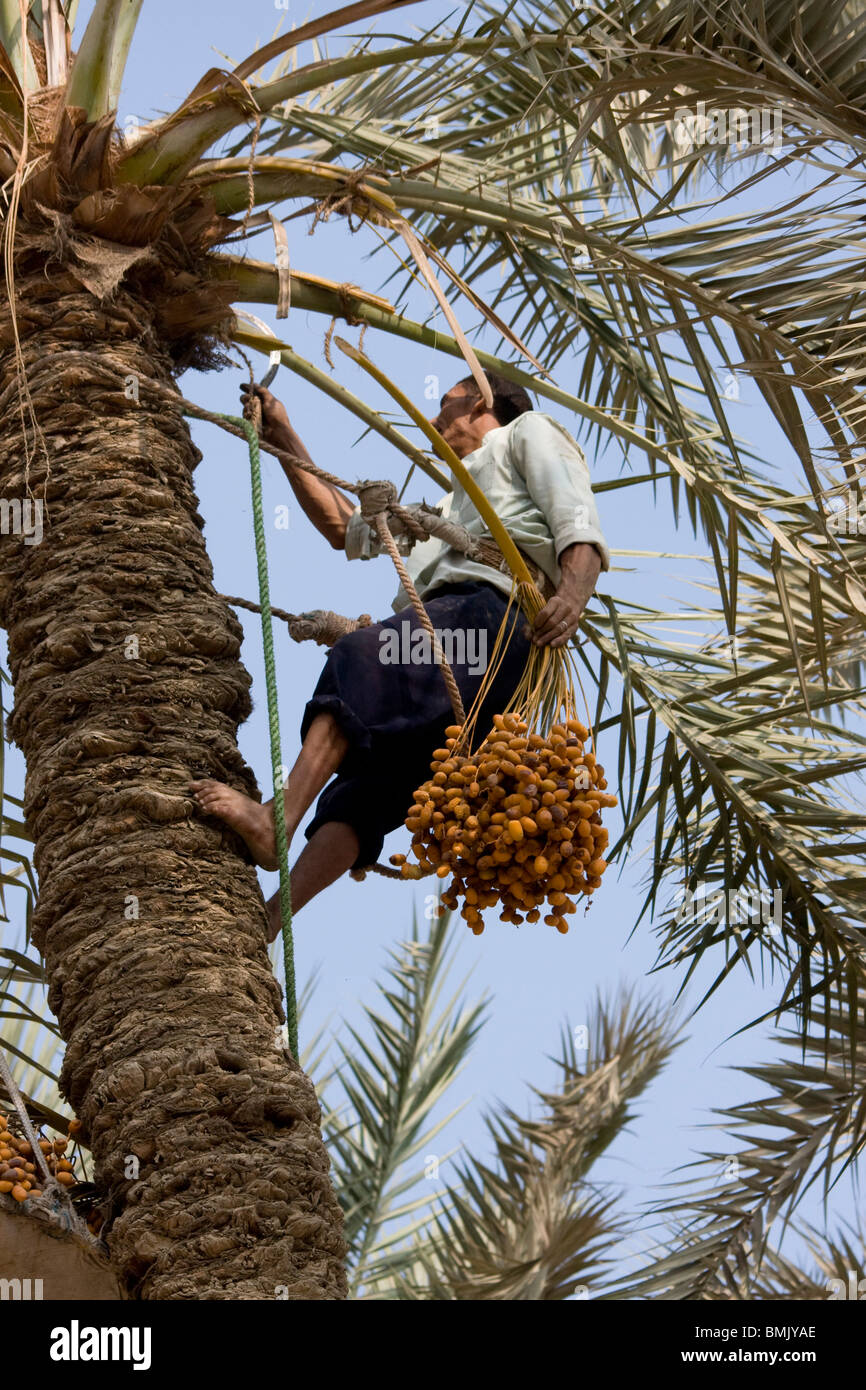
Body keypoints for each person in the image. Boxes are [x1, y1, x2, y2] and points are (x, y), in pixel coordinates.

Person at [191, 370, 610, 939]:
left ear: (481, 400)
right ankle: (268, 922)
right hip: (474, 670)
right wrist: (283, 435)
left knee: (363, 659)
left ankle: (276, 820)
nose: (435, 421)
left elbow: (576, 518)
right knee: (373, 784)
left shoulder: (527, 433)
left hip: (492, 619)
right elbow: (343, 529)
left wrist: (573, 593)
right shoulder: (443, 507)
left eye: (445, 404)